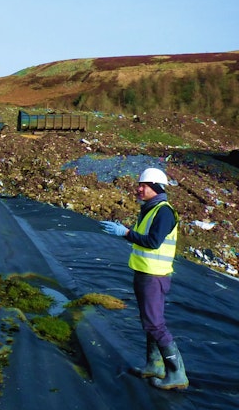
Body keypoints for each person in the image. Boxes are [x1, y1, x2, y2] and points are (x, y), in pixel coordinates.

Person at [99, 167, 188, 390]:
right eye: (139, 185)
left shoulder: (163, 212)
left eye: (143, 186)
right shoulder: (150, 209)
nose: (139, 189)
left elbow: (153, 241)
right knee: (149, 323)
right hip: (145, 272)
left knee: (155, 324)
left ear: (155, 188)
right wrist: (128, 233)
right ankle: (154, 365)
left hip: (154, 276)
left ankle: (177, 374)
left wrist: (127, 233)